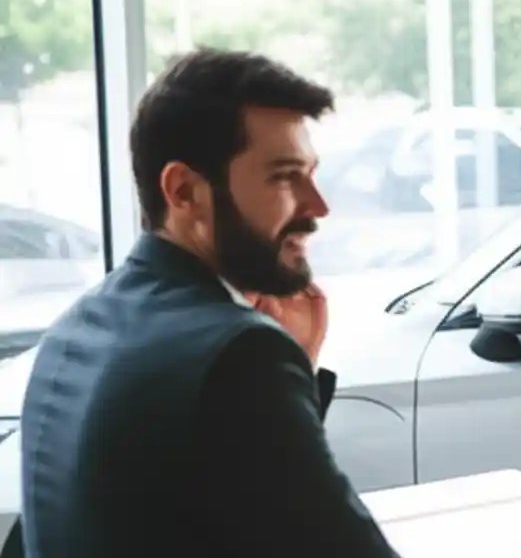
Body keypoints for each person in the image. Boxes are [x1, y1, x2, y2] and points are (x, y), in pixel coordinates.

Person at [18, 48, 400, 557]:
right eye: (285, 176)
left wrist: (293, 372)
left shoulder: (79, 326)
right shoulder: (241, 355)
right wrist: (278, 367)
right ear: (184, 191)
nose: (318, 206)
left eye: (310, 173)